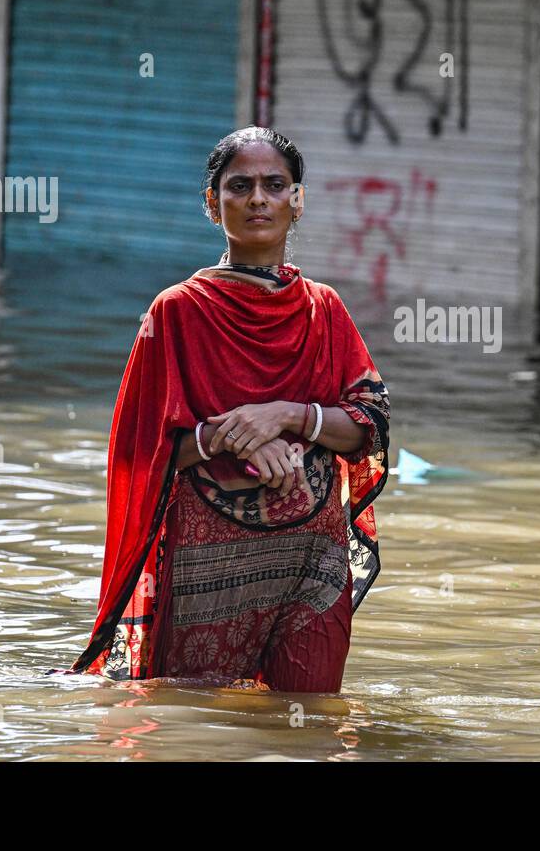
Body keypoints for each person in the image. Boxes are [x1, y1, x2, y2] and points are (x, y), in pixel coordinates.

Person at [51, 127, 390, 693]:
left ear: (297, 200)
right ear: (213, 203)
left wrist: (288, 415)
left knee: (309, 730)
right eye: (240, 186)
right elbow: (144, 451)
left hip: (313, 562)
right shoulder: (178, 312)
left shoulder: (324, 310)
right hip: (208, 571)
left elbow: (370, 426)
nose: (259, 199)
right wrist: (228, 437)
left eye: (275, 185)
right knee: (195, 726)